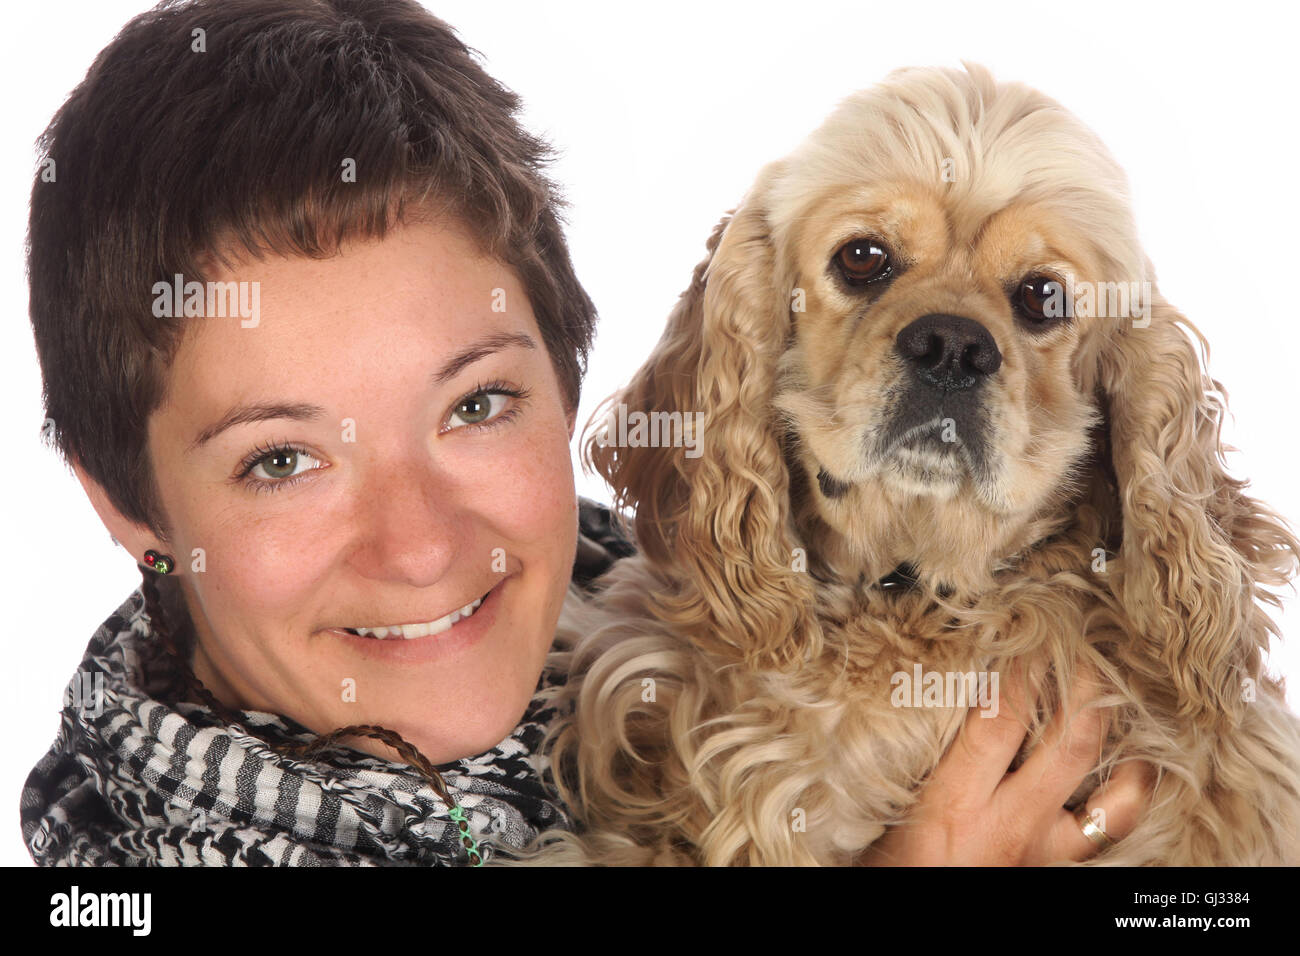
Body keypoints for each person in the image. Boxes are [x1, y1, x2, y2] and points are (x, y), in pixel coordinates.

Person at [20, 0, 1148, 866]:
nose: (417, 547)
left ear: (565, 384)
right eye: (281, 458)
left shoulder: (665, 633)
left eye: (474, 405)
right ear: (125, 504)